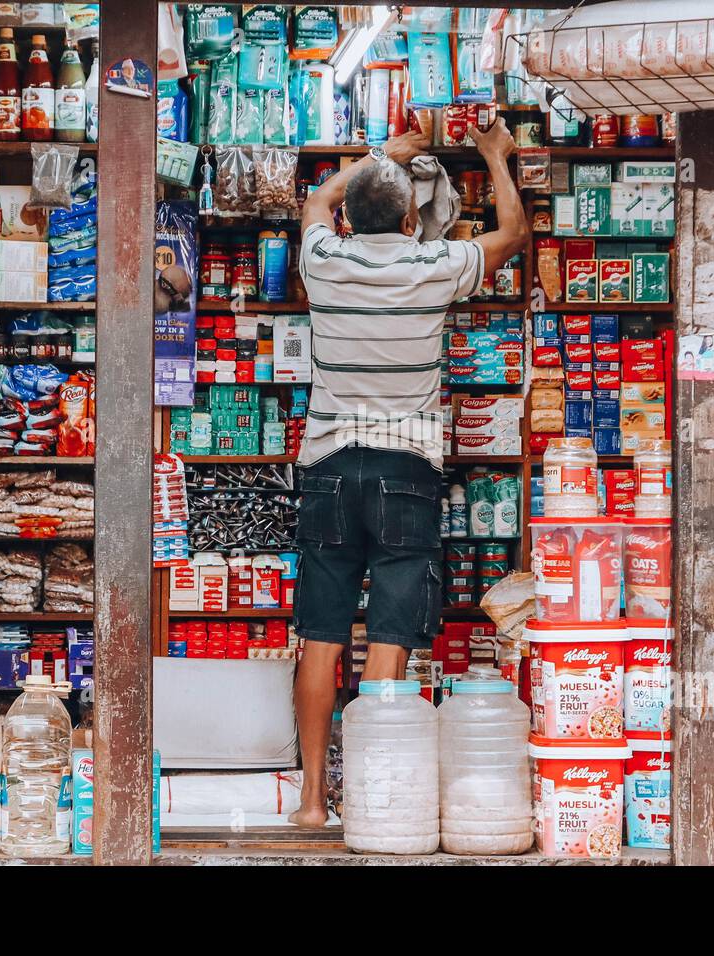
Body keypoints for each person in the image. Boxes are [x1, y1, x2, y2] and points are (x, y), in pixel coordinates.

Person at [287, 119, 529, 827]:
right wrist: (492, 153)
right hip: (406, 471)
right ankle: (370, 798)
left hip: (328, 469)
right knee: (390, 633)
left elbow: (310, 204)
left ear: (348, 220)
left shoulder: (324, 259)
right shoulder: (435, 265)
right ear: (407, 218)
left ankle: (309, 802)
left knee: (321, 632)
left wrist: (380, 156)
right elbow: (511, 233)